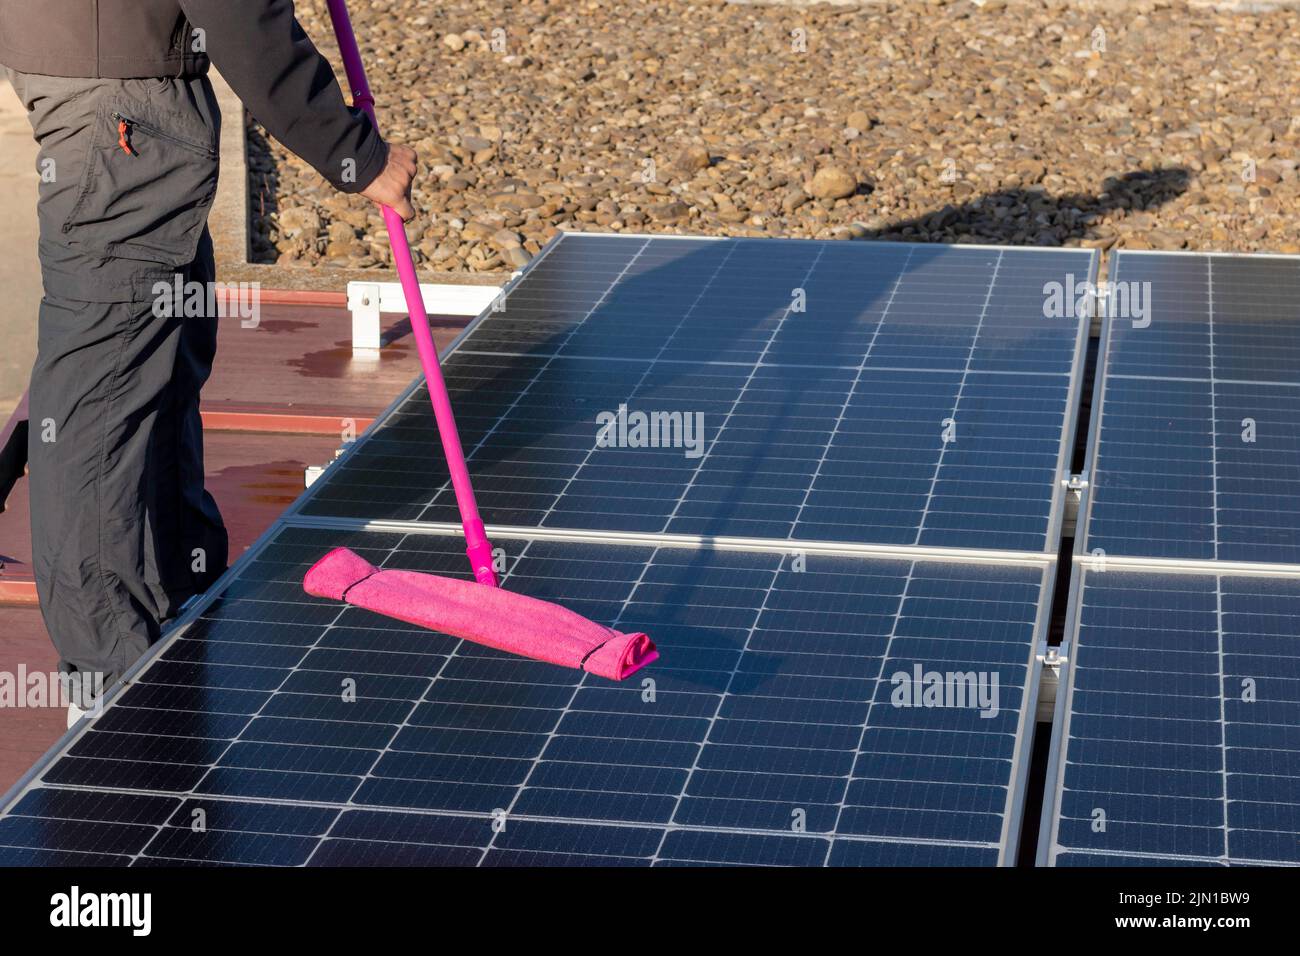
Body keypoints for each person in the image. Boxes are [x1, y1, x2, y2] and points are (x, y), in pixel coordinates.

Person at [0, 0, 418, 726]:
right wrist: (352, 152)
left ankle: (174, 584)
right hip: (122, 104)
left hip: (100, 77)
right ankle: (112, 679)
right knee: (105, 394)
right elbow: (238, 10)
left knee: (163, 346)